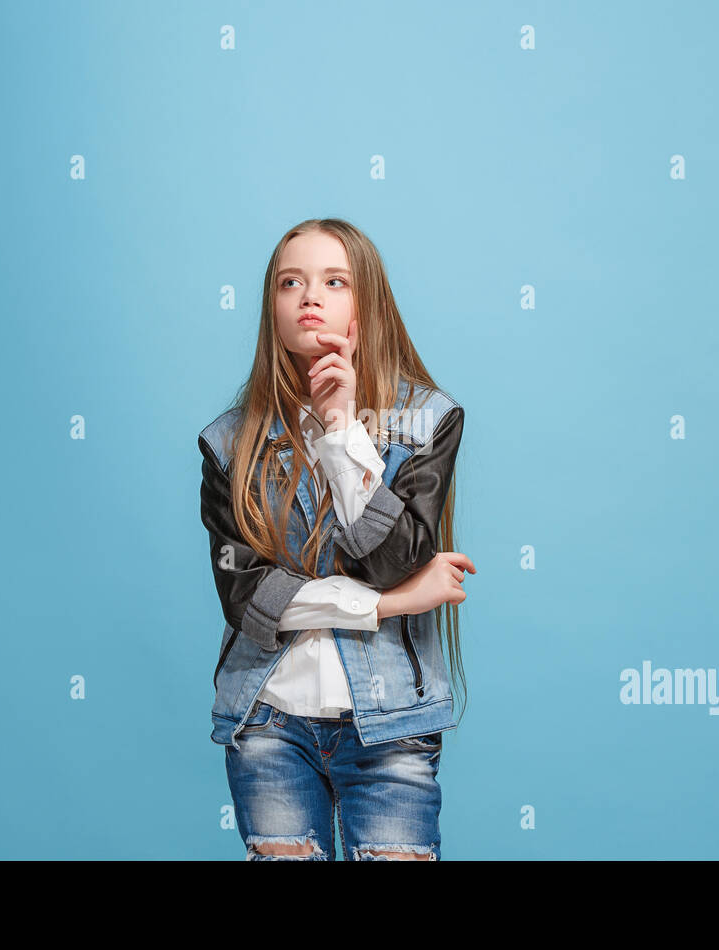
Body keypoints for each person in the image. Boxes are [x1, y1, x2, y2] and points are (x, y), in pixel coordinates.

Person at [197, 218, 475, 860]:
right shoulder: (227, 442)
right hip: (268, 720)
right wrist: (388, 605)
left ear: (366, 301)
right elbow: (248, 596)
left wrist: (344, 431)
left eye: (333, 281)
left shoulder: (427, 422)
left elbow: (393, 559)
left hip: (393, 729)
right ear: (272, 306)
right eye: (290, 281)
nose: (309, 296)